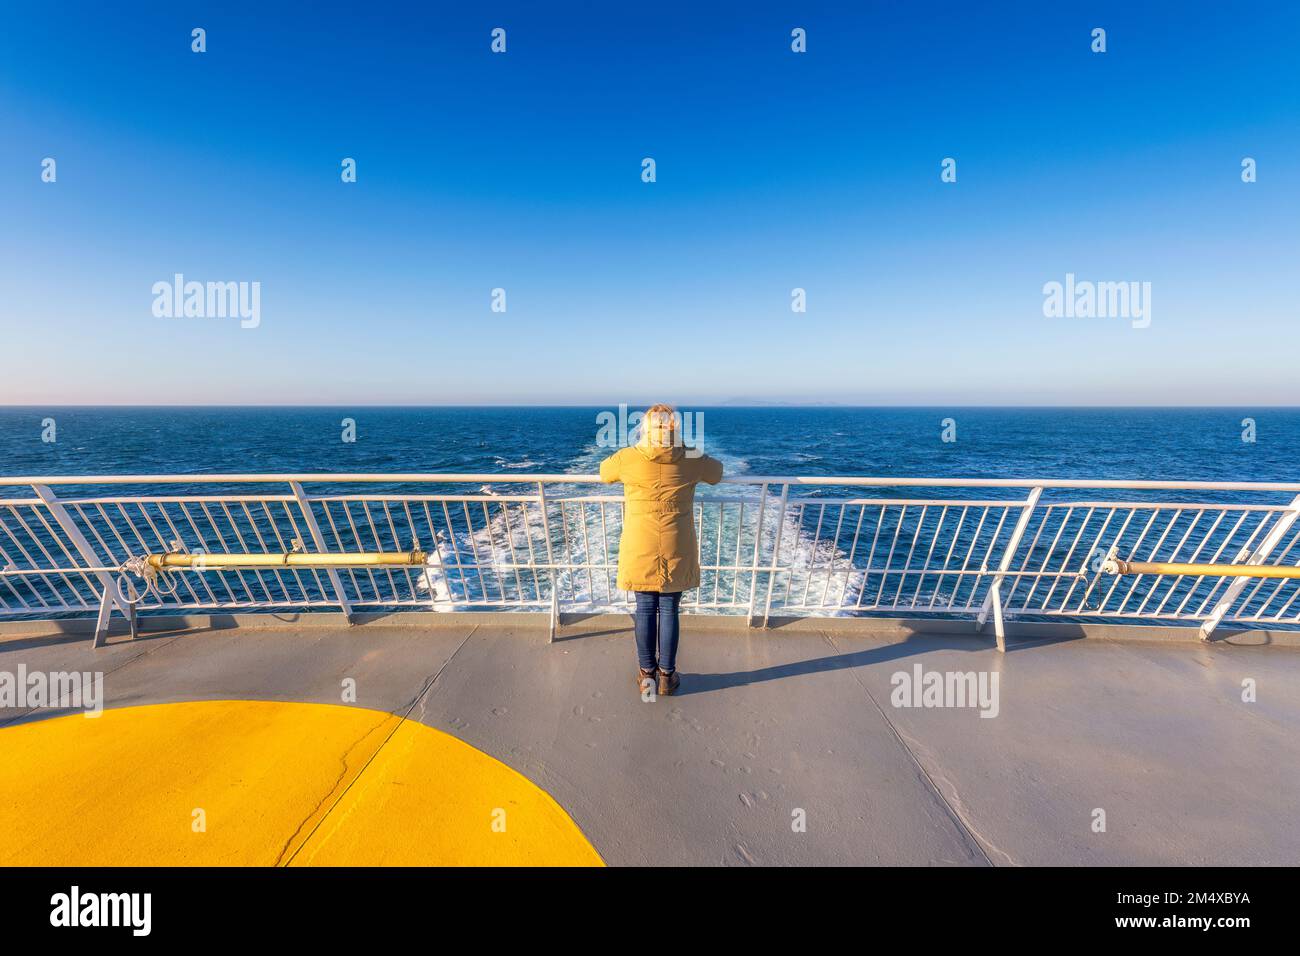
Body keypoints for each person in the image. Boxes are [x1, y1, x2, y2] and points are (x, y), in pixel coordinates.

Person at [599, 404, 723, 696]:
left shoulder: (628, 457)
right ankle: (667, 675)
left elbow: (604, 472)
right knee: (669, 607)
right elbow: (717, 473)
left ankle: (647, 676)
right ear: (674, 429)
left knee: (644, 608)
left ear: (644, 429)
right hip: (676, 544)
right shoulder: (691, 456)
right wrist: (685, 449)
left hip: (639, 543)